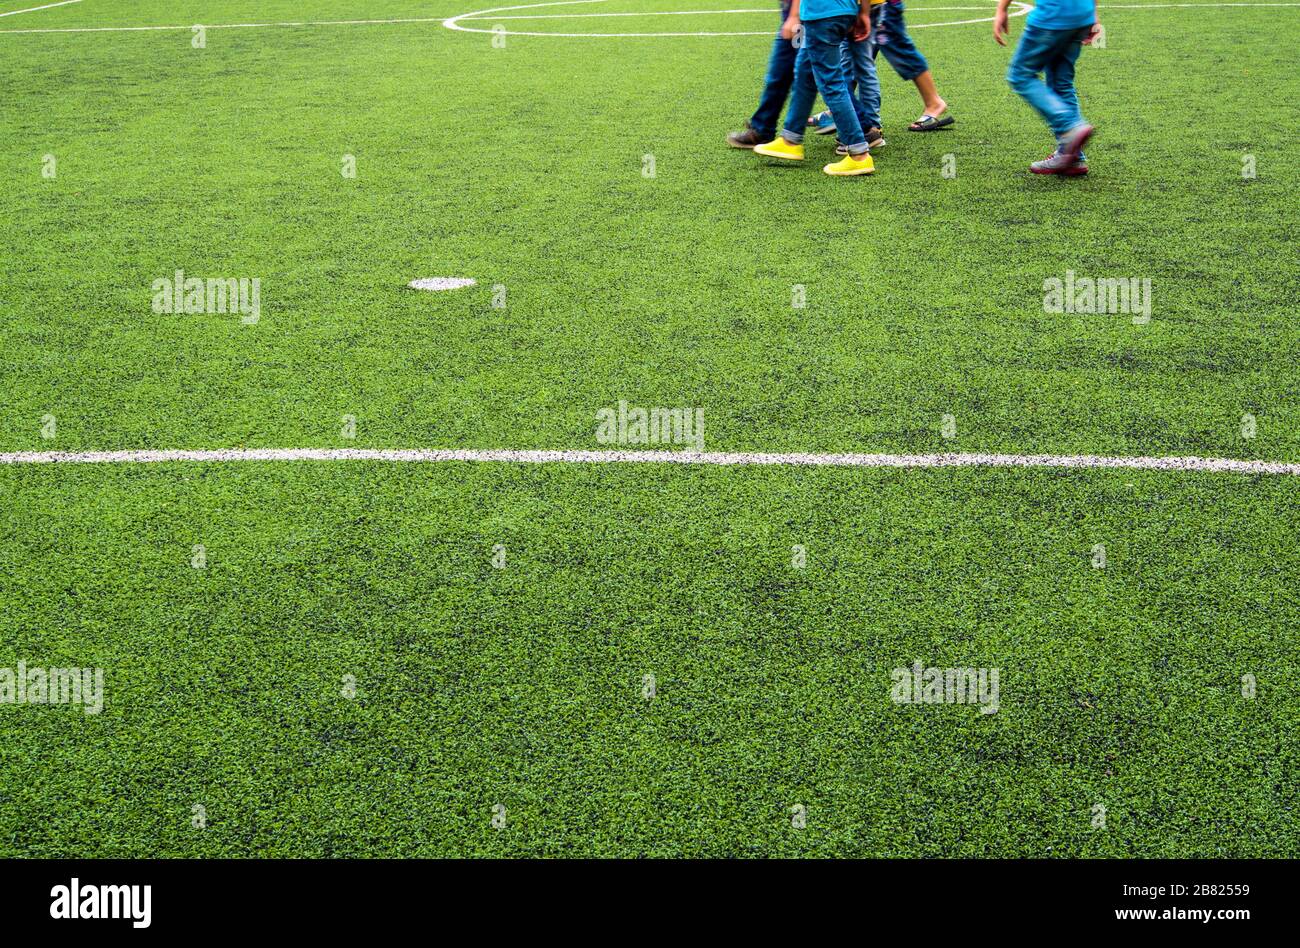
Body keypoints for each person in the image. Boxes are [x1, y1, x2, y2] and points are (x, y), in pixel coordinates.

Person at [752, 0, 876, 176]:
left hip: (821, 13)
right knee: (805, 71)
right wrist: (863, 12)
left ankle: (859, 154)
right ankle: (790, 140)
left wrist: (793, 16)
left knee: (831, 83)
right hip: (845, 10)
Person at [995, 0, 1099, 174]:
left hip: (1053, 15)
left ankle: (1070, 126)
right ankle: (1073, 157)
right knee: (1061, 82)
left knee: (1020, 75)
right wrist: (1093, 13)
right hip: (1082, 13)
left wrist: (1002, 8)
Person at [726, 1, 802, 149]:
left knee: (820, 80)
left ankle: (858, 128)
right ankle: (763, 129)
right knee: (778, 75)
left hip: (804, 19)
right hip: (792, 16)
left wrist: (795, 14)